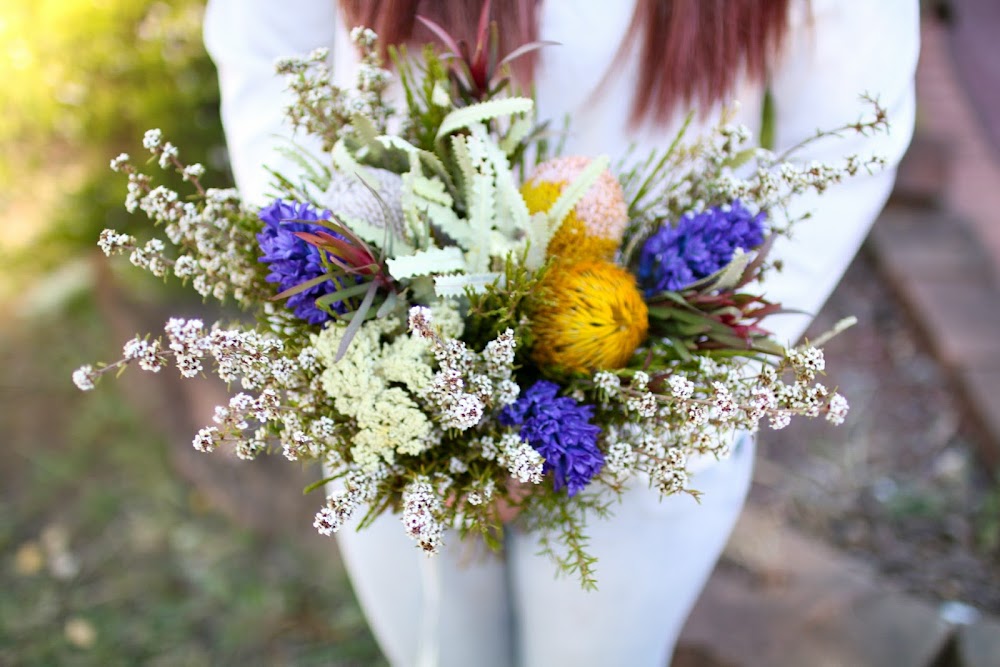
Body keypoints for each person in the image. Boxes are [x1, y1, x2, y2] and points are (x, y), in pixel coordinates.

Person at [203, 1, 919, 665]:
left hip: (645, 397)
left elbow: (853, 122)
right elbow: (263, 40)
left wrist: (692, 375)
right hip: (399, 380)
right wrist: (335, 283)